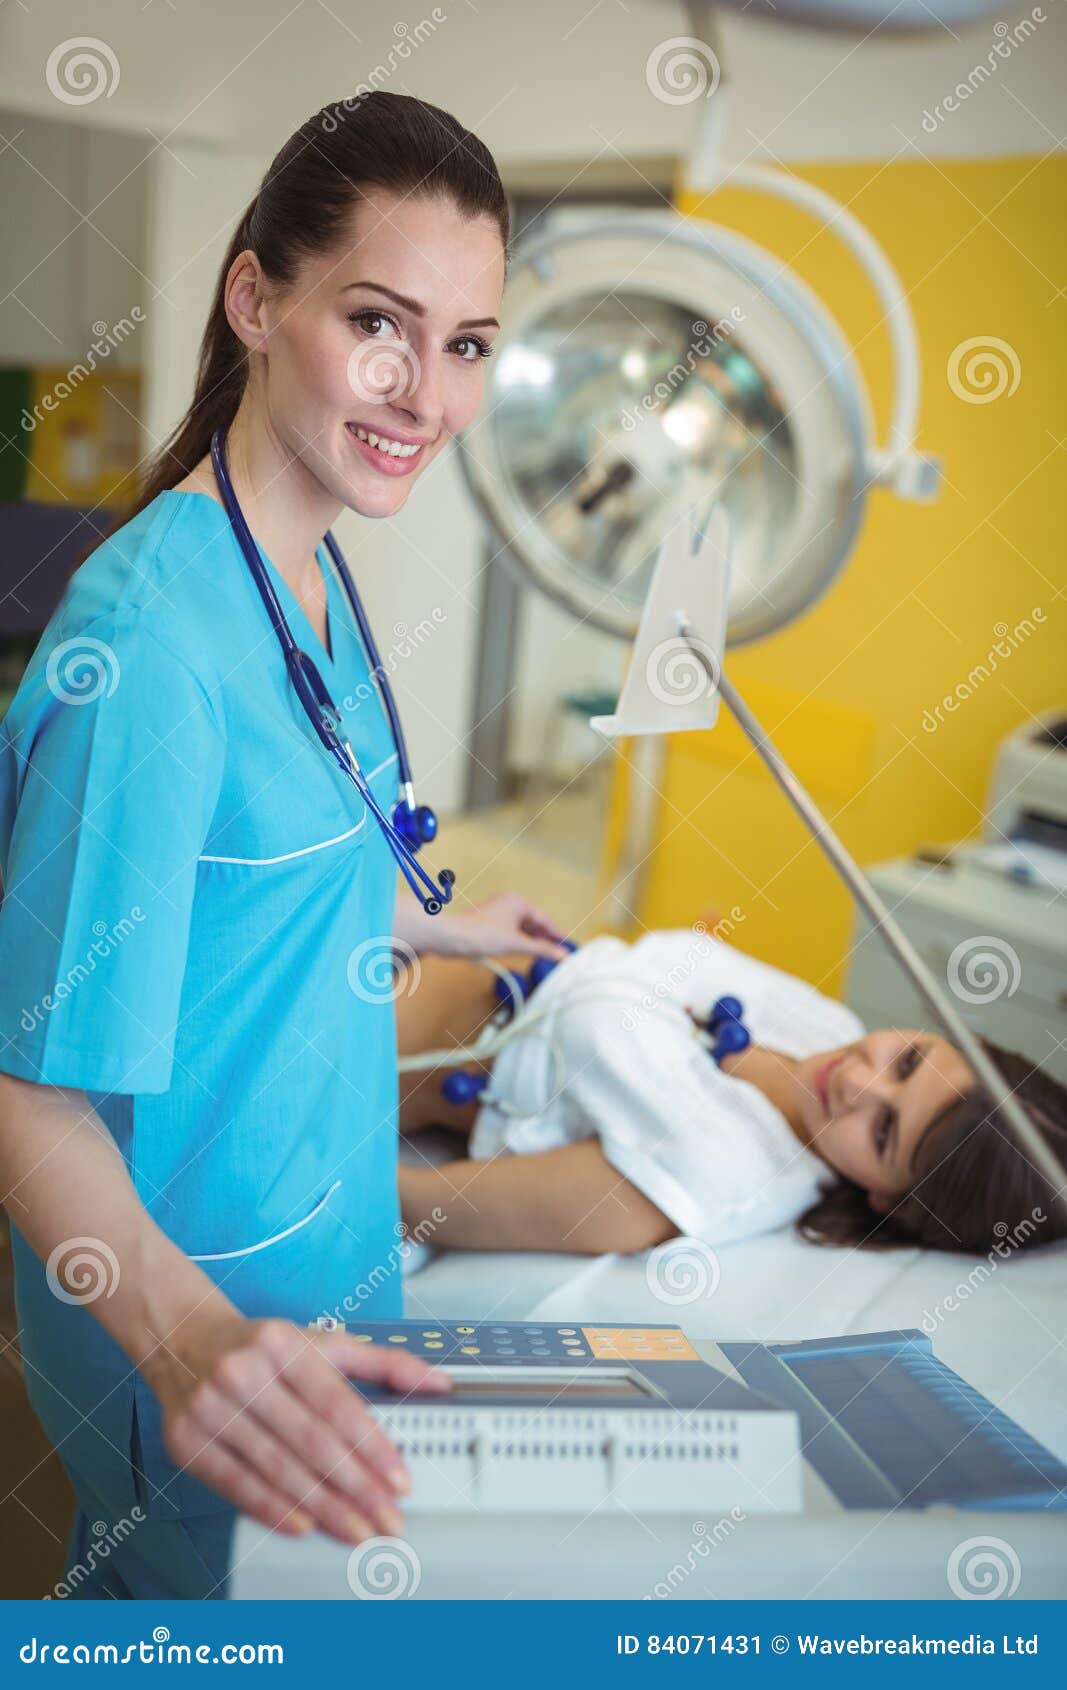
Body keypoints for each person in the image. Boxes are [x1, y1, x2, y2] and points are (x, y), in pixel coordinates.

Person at [0, 90, 568, 1600]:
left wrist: (437, 927)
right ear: (255, 296)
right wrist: (191, 1345)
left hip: (323, 1257)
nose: (423, 393)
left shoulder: (302, 565)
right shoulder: (150, 659)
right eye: (378, 321)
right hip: (193, 1321)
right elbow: (26, 1095)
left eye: (464, 344)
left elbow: (269, 855)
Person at [396, 930, 1067, 1258]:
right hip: (417, 936)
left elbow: (418, 1201)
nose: (858, 1080)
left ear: (886, 1200)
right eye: (908, 1059)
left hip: (351, 1032)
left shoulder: (712, 1171)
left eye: (883, 1133)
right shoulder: (828, 1025)